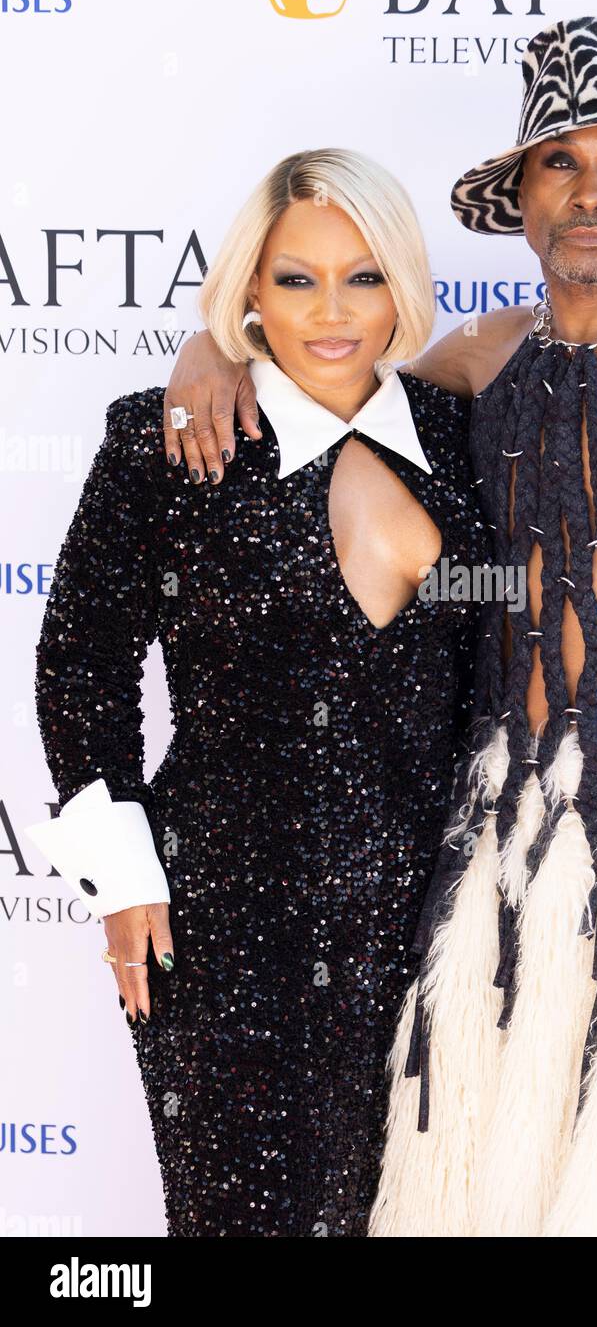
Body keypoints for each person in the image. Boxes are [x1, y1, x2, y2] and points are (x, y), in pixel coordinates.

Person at [162, 16, 597, 1237]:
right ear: (522, 194)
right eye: (561, 162)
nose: (592, 191)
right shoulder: (465, 368)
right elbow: (318, 378)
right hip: (507, 833)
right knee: (505, 1190)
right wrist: (205, 349)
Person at [26, 148, 489, 1237]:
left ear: (405, 283)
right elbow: (79, 662)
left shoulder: (466, 443)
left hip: (438, 929)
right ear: (248, 288)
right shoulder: (171, 441)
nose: (333, 310)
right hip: (227, 921)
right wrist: (122, 873)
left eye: (364, 275)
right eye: (296, 277)